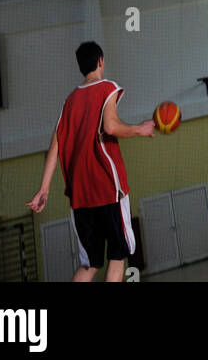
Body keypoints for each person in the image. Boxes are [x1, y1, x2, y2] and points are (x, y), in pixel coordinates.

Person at [27, 41, 155, 282]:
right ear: (100, 62)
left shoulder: (69, 102)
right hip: (106, 187)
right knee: (117, 255)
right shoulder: (107, 88)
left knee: (90, 264)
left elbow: (55, 147)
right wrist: (140, 129)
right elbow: (110, 126)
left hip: (80, 197)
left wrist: (43, 189)